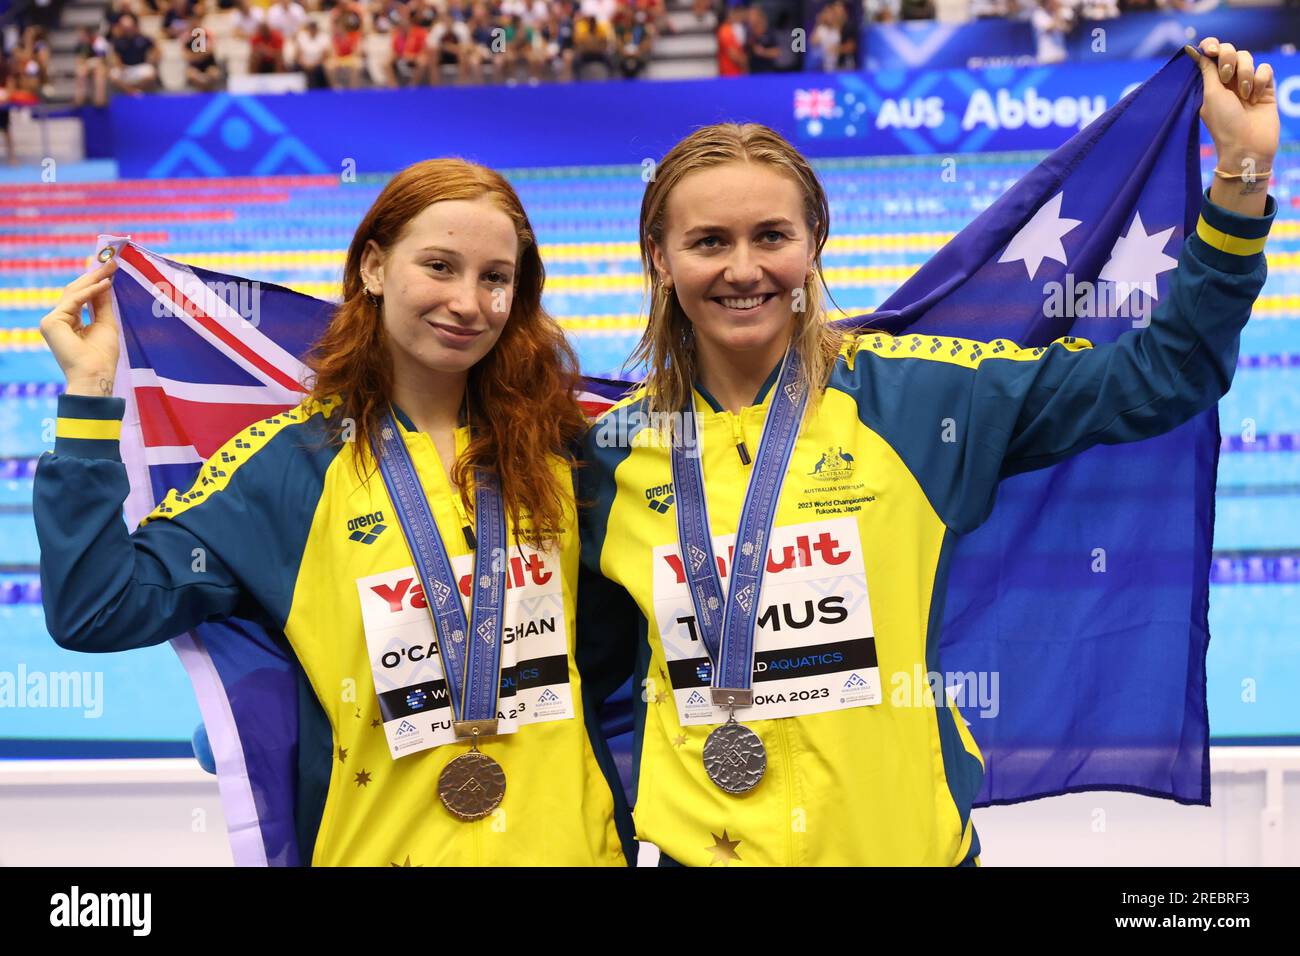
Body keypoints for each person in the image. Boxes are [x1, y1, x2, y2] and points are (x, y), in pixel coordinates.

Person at [577, 37, 1279, 866]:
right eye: (708, 243)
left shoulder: (919, 401)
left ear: (813, 247)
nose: (744, 269)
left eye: (771, 236)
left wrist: (1239, 174)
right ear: (660, 258)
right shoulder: (607, 459)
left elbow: (1165, 375)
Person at [34, 159, 634, 867]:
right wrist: (90, 398)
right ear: (374, 267)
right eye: (440, 266)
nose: (469, 303)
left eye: (494, 278)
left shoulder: (569, 451)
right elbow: (95, 608)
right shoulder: (287, 469)